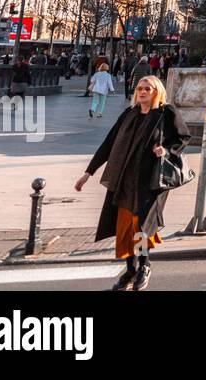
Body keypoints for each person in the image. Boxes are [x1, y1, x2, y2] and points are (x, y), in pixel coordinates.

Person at [74, 75, 190, 291]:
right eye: (140, 88)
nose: (143, 92)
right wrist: (88, 173)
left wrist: (166, 150)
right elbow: (109, 143)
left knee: (141, 225)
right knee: (125, 226)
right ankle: (130, 270)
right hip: (125, 179)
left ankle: (144, 265)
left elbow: (183, 137)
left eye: (148, 88)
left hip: (150, 180)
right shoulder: (129, 114)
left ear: (157, 91)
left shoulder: (166, 113)